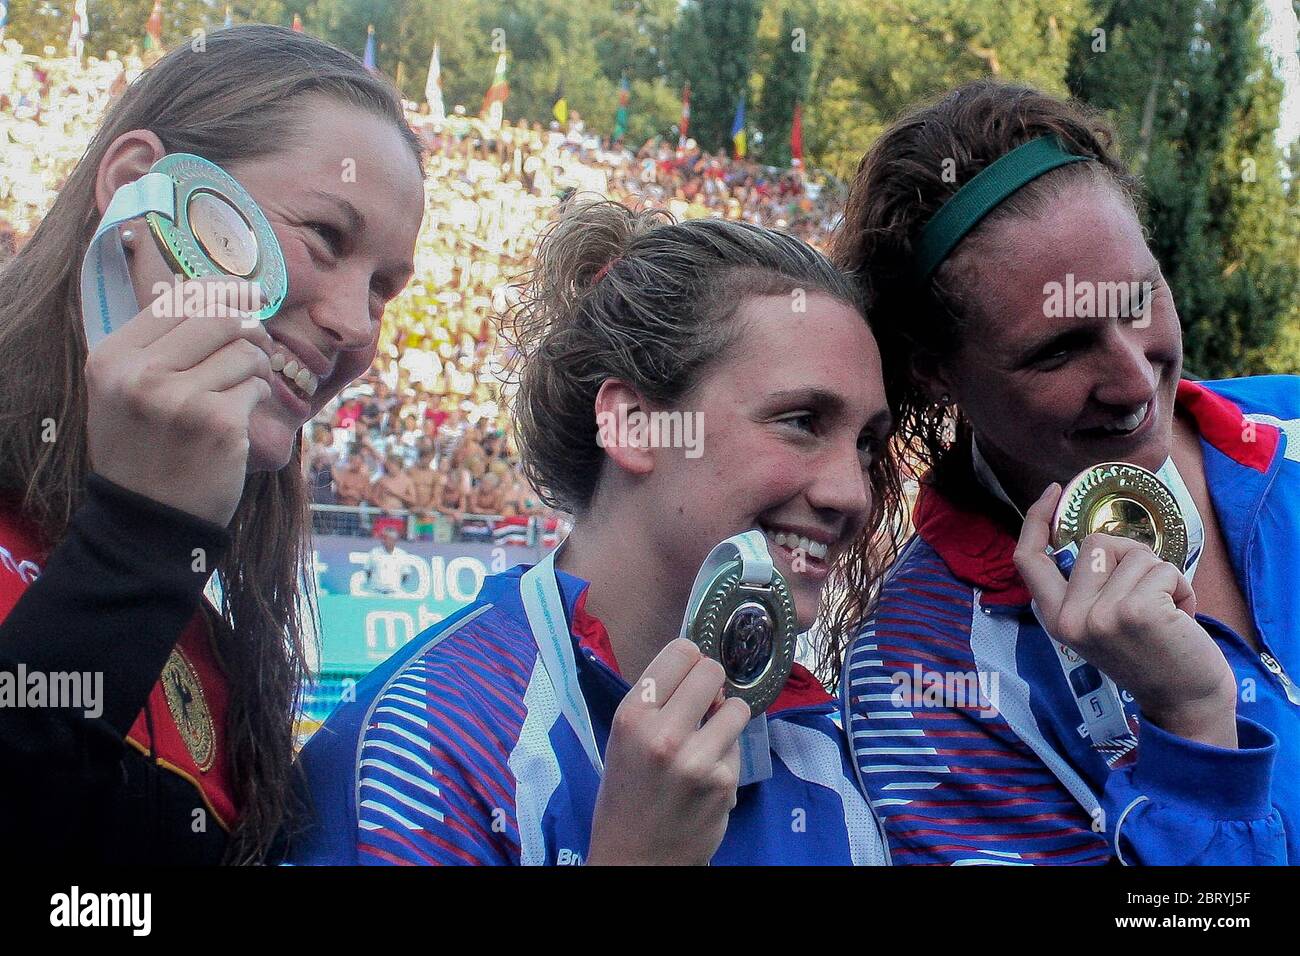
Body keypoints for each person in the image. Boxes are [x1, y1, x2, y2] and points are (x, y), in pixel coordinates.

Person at [286, 198, 898, 865]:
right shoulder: (429, 740)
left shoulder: (832, 765)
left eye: (867, 444)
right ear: (633, 425)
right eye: (801, 420)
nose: (853, 492)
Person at [830, 80, 1295, 864]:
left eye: (1141, 297)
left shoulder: (1287, 434)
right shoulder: (924, 675)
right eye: (1058, 349)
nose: (1132, 378)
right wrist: (1189, 729)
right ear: (937, 373)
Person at [0, 26, 425, 864]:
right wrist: (136, 542)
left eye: (383, 287)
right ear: (135, 191)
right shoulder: (149, 556)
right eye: (324, 239)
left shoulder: (224, 639)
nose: (354, 323)